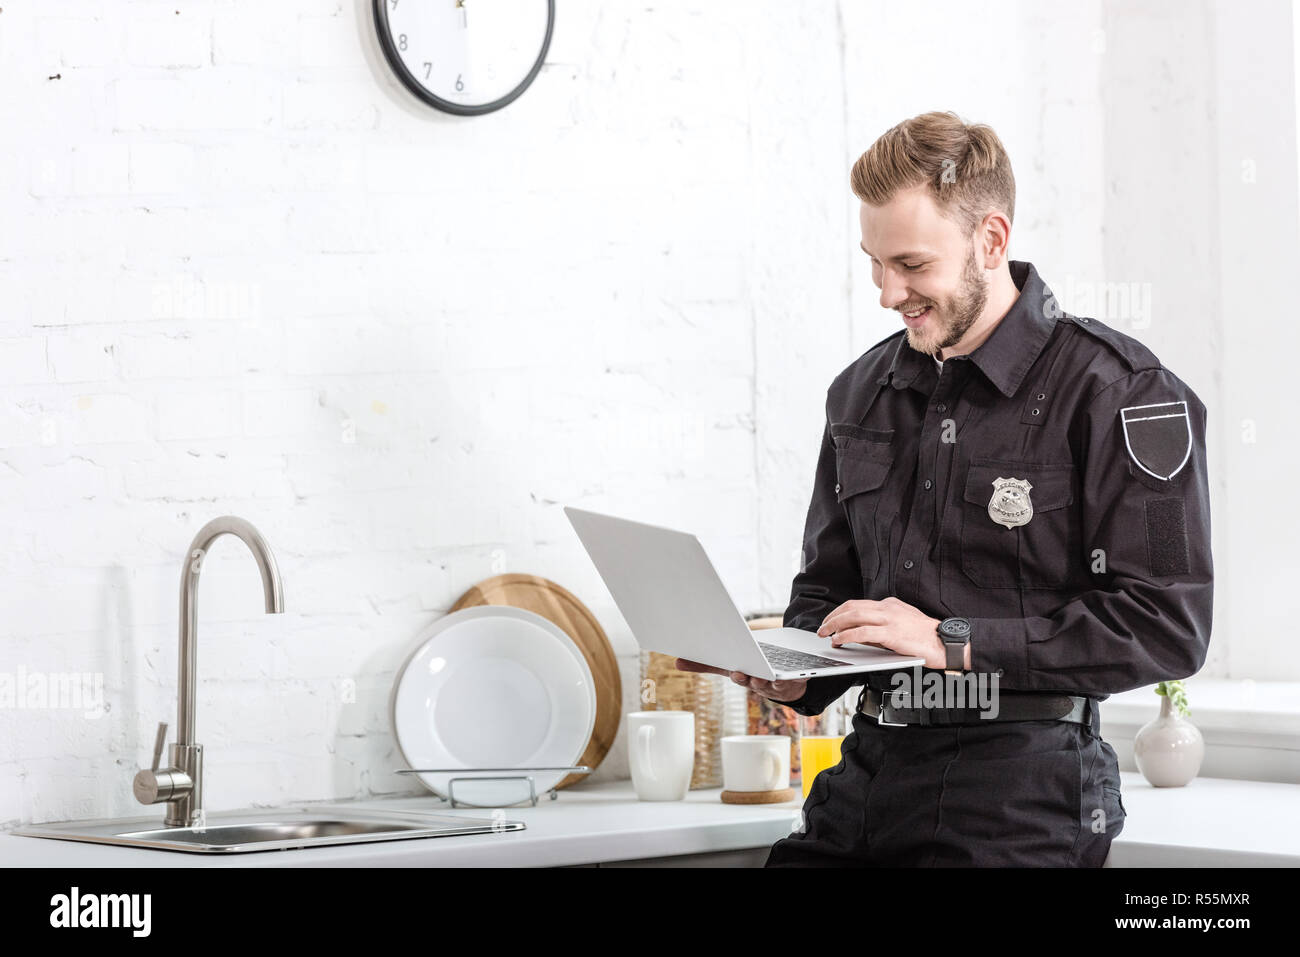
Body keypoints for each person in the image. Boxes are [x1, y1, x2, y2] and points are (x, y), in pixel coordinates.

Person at [678, 110, 1212, 867]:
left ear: (990, 241)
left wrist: (951, 642)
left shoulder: (1124, 393)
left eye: (911, 264)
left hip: (1022, 801)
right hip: (862, 781)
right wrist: (791, 672)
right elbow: (825, 592)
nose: (888, 292)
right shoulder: (859, 393)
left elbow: (1169, 623)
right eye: (874, 262)